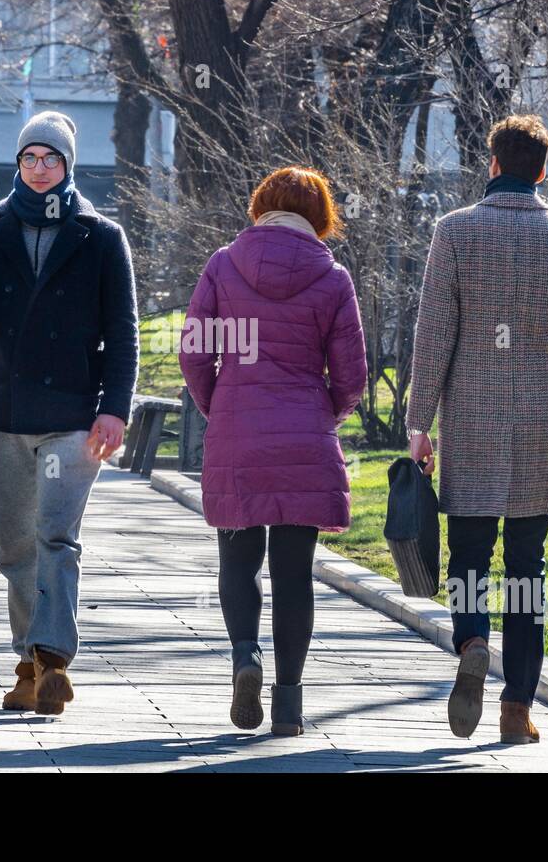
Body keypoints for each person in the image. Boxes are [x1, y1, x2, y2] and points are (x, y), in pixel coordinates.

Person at [405, 114, 548, 745]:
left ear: (493, 165)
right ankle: (516, 706)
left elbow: (433, 332)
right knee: (529, 566)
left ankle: (473, 640)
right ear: (544, 170)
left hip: (469, 417)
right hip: (540, 417)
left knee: (469, 556)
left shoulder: (453, 233)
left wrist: (420, 420)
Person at [0, 110, 139, 716]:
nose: (38, 169)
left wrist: (114, 409)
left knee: (54, 536)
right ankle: (29, 663)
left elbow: (124, 332)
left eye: (50, 159)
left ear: (68, 166)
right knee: (15, 548)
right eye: (30, 158)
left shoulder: (100, 236)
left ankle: (53, 657)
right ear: (17, 164)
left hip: (71, 418)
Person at [178, 166, 367, 736]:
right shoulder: (333, 278)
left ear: (260, 207)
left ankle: (244, 657)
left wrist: (222, 405)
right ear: (320, 217)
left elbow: (192, 353)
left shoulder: (222, 264)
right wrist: (323, 413)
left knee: (237, 562)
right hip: (305, 437)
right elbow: (353, 375)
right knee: (294, 575)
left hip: (238, 434)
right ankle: (288, 705)